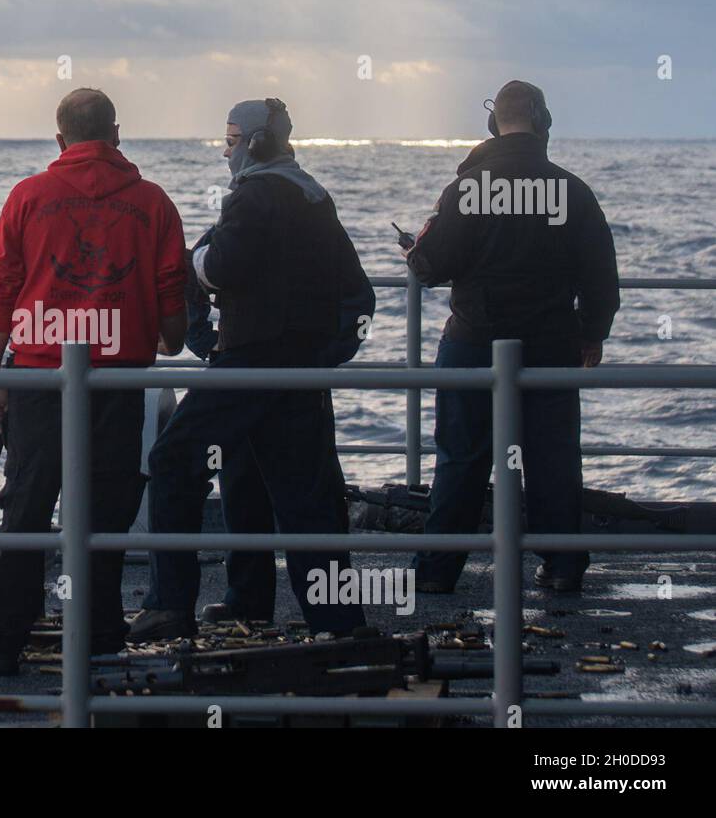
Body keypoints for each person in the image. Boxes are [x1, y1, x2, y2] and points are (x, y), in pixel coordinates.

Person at [129, 98, 369, 642]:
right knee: (299, 494)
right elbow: (355, 288)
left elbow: (220, 266)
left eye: (232, 138)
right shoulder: (313, 195)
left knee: (172, 461)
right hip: (297, 367)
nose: (226, 148)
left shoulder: (255, 195)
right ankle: (333, 622)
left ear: (256, 144)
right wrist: (325, 353)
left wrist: (193, 263)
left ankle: (170, 604)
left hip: (250, 359)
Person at [0, 88, 188, 675]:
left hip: (40, 380)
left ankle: (2, 642)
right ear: (117, 135)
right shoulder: (153, 204)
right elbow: (173, 296)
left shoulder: (27, 197)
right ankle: (97, 634)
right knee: (107, 509)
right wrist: (168, 335)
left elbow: (2, 287)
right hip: (117, 383)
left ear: (60, 140)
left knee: (25, 508)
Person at [406, 80, 620, 594]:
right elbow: (600, 278)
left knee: (460, 458)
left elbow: (430, 266)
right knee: (553, 458)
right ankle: (563, 566)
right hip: (550, 345)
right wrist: (591, 334)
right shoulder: (572, 191)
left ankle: (437, 573)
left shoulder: (468, 188)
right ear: (543, 121)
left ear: (492, 124)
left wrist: (415, 249)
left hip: (473, 343)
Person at [182, 203, 375, 625]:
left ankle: (324, 613)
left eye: (234, 140)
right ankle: (261, 602)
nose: (228, 150)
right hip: (263, 375)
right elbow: (360, 300)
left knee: (305, 495)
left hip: (272, 377)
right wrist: (205, 341)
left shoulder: (257, 217)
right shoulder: (257, 218)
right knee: (251, 491)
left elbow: (359, 298)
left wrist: (206, 341)